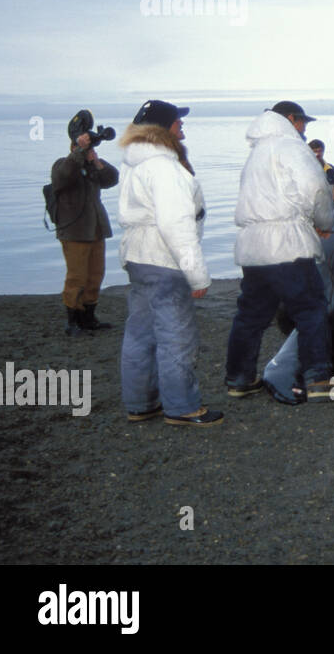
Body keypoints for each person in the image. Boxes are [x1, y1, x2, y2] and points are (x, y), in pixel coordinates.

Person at [224, 101, 334, 404]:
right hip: (286, 243)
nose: (305, 129)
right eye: (302, 123)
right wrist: (325, 222)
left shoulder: (256, 155)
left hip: (253, 247)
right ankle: (319, 378)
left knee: (250, 315)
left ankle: (239, 378)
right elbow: (315, 188)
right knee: (311, 308)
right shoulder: (292, 147)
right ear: (291, 120)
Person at [117, 99, 220, 426]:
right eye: (178, 122)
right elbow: (176, 225)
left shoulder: (134, 164)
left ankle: (141, 403)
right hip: (165, 258)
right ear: (163, 128)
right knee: (176, 336)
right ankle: (182, 407)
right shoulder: (165, 168)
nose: (182, 126)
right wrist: (197, 275)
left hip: (137, 256)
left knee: (140, 334)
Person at [51, 111, 119, 335]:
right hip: (75, 230)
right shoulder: (63, 164)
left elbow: (111, 179)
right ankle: (72, 321)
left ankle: (88, 317)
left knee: (95, 274)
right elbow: (63, 177)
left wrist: (96, 161)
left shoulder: (91, 165)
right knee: (76, 277)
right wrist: (80, 152)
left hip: (95, 229)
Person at [308, 139, 334, 204]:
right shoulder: (306, 171)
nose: (318, 154)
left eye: (320, 151)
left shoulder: (332, 170)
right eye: (315, 151)